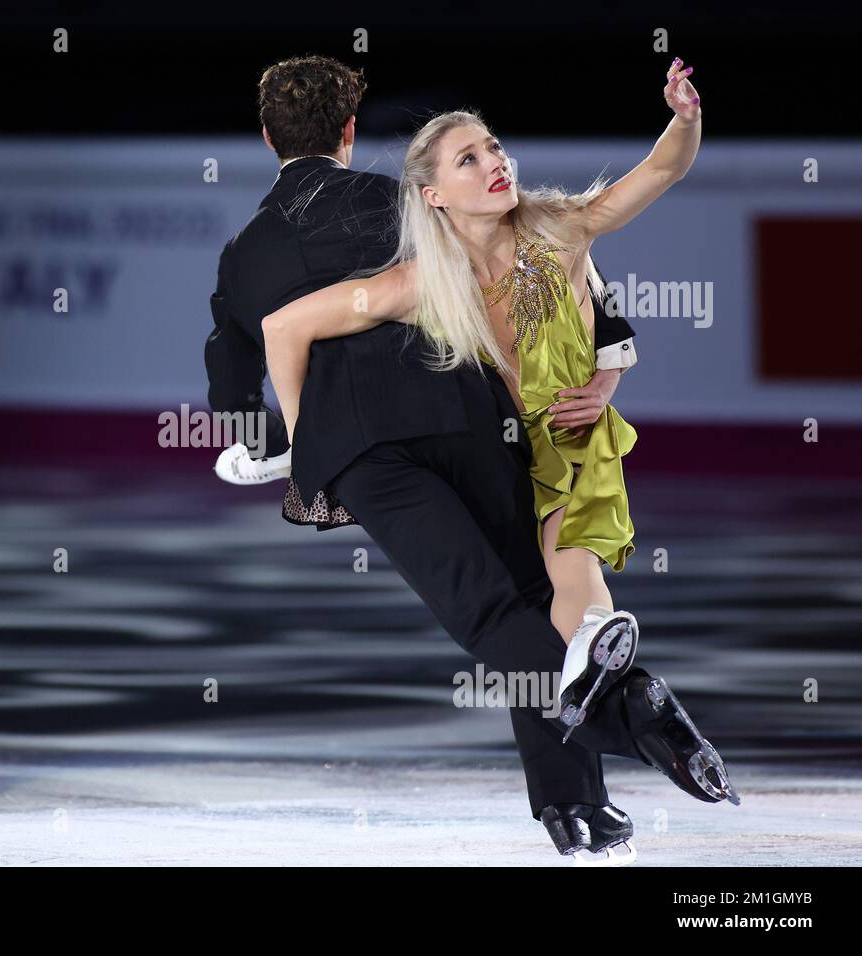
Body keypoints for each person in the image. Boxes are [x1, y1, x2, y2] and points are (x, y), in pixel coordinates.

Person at [204, 56, 737, 865]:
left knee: (519, 607)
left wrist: (280, 444)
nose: (493, 165)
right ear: (356, 139)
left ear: (266, 135)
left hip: (467, 446)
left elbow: (641, 190)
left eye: (491, 150)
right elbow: (306, 320)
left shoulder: (258, 252)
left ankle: (620, 715)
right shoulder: (417, 237)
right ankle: (582, 782)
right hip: (485, 429)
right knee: (531, 601)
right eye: (470, 157)